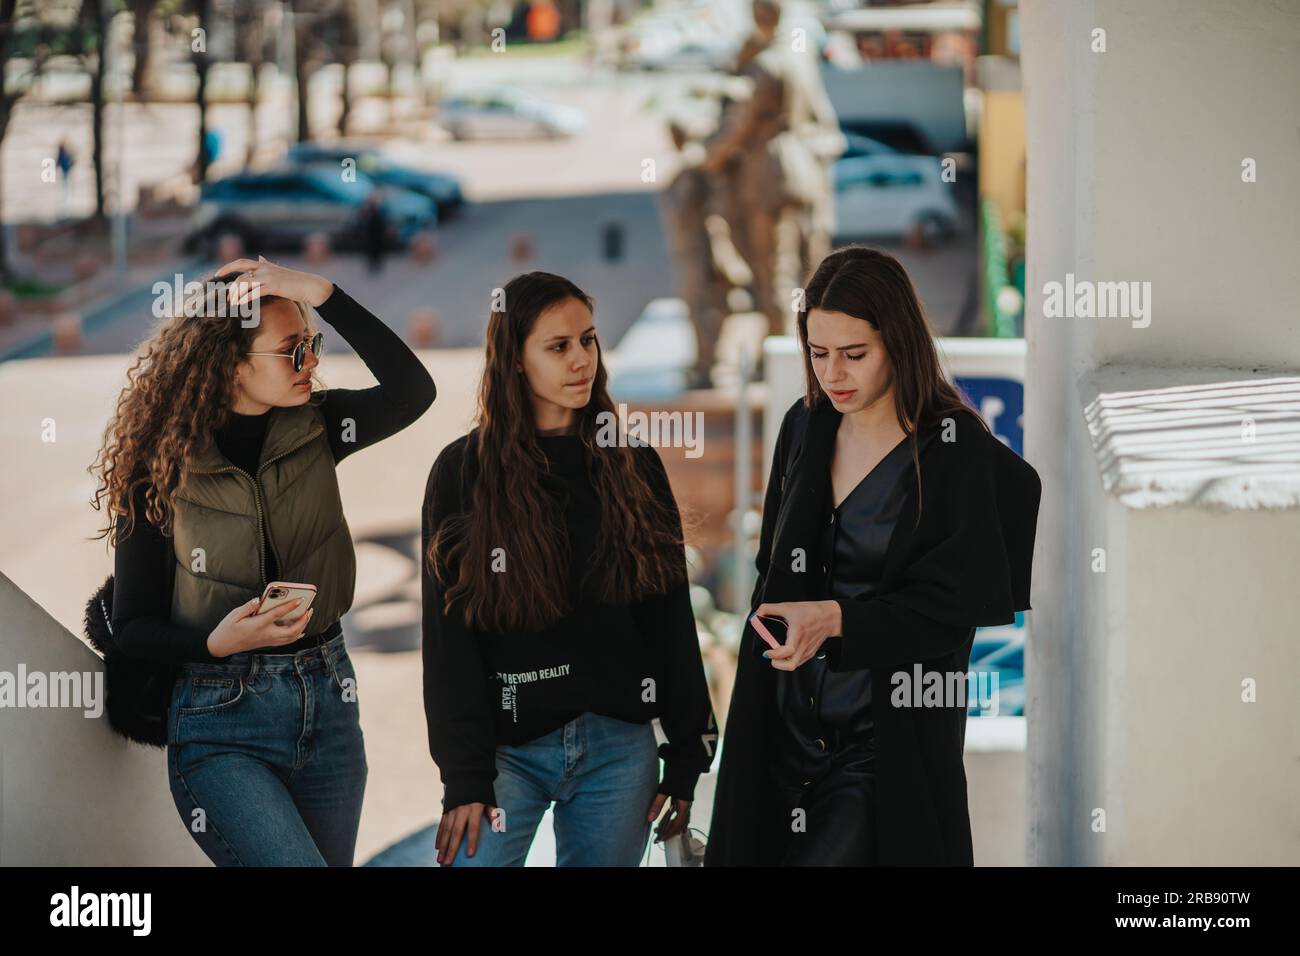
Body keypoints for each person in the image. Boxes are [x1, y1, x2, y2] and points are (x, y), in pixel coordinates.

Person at [90, 257, 436, 866]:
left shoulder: (322, 426)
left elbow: (414, 391)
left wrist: (322, 293)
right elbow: (134, 625)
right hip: (221, 722)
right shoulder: (158, 467)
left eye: (312, 344)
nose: (312, 363)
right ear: (230, 364)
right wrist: (215, 644)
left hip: (328, 698)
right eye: (290, 351)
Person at [705, 246, 1041, 865]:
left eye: (854, 354)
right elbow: (769, 570)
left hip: (882, 743)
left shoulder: (954, 451)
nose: (833, 373)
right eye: (818, 353)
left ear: (899, 343)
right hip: (781, 729)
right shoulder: (803, 427)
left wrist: (836, 621)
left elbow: (951, 609)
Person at [421, 271, 717, 866]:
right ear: (515, 362)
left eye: (588, 340)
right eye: (558, 347)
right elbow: (447, 635)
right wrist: (464, 777)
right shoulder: (462, 473)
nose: (581, 360)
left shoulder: (632, 463)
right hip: (507, 752)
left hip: (618, 751)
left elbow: (669, 618)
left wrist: (687, 755)